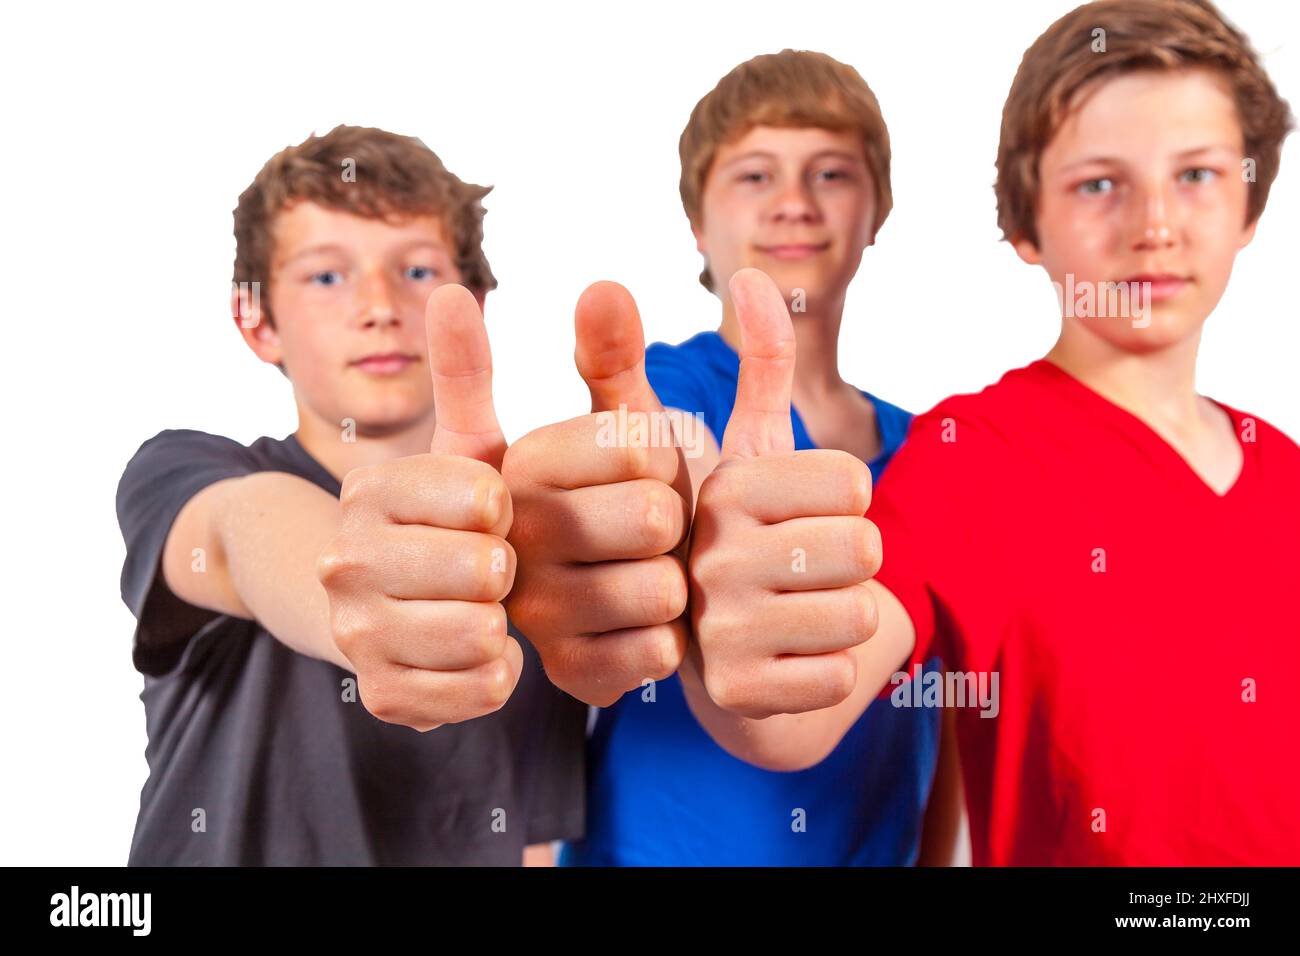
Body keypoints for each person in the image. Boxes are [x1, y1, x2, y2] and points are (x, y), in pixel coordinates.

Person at [677, 0, 1300, 865]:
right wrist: (728, 613)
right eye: (1098, 183)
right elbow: (791, 720)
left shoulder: (1289, 473)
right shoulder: (967, 458)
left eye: (1196, 174)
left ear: (1252, 204)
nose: (1154, 224)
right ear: (1023, 223)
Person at [116, 125, 585, 865]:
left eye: (420, 272)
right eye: (327, 276)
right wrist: (362, 592)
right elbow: (244, 533)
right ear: (256, 320)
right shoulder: (183, 472)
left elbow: (533, 833)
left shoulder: (530, 552)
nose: (379, 305)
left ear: (476, 305)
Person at [556, 50, 958, 866]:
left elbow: (946, 711)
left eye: (832, 173)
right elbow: (654, 456)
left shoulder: (932, 450)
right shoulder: (673, 386)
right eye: (753, 176)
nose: (794, 204)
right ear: (698, 224)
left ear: (876, 210)